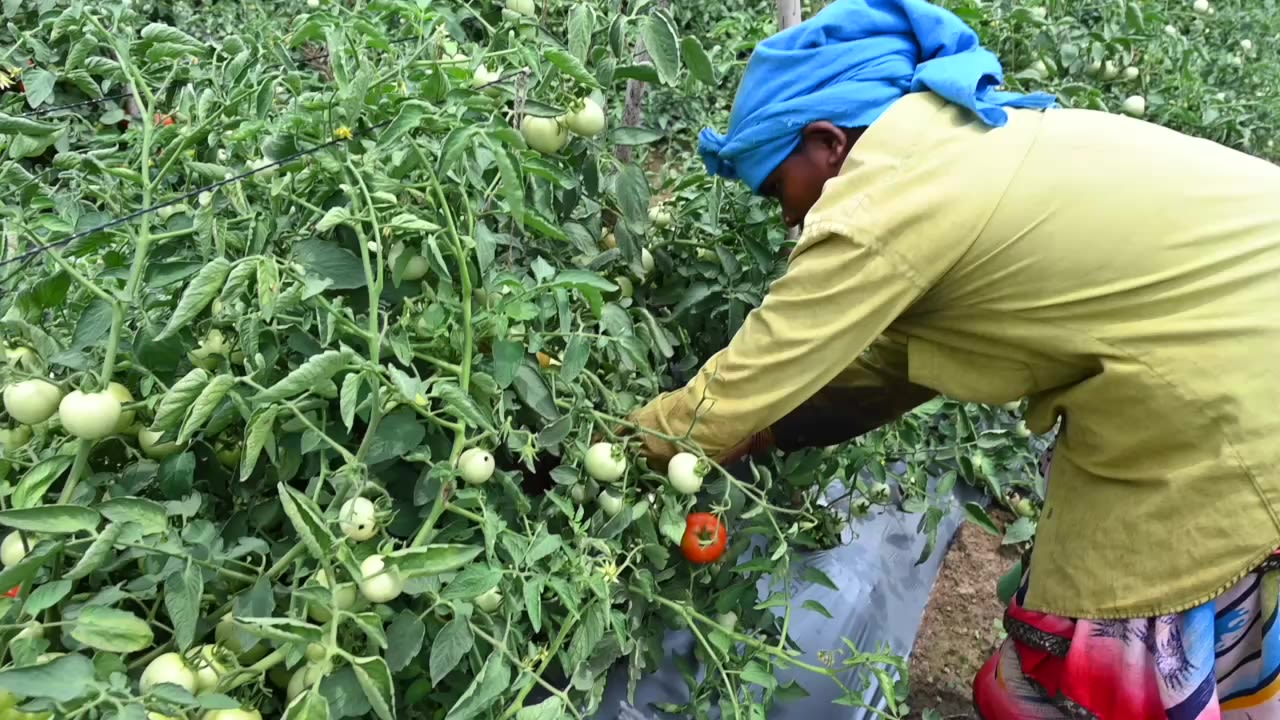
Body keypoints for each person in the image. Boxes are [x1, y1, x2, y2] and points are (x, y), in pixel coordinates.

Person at [624, 0, 1280, 717]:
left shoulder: (886, 195)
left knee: (1110, 637)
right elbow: (891, 367)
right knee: (1213, 628)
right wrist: (771, 430)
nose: (788, 217)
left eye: (780, 188)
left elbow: (735, 387)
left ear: (828, 143)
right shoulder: (950, 145)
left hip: (1230, 403)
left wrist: (609, 451)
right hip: (1231, 362)